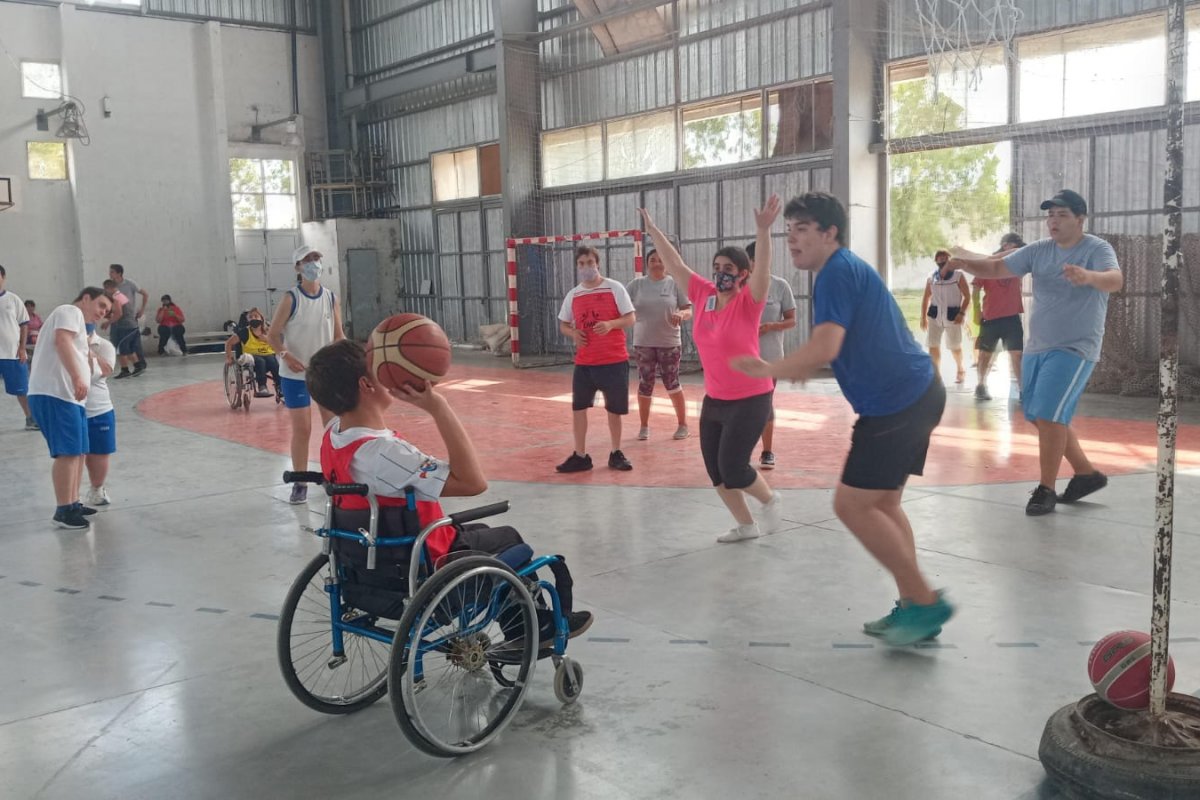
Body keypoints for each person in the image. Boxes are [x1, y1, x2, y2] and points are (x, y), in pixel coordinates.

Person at [732, 192, 953, 646]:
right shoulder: (842, 269)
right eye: (789, 230)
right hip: (913, 395)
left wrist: (772, 367)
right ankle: (914, 605)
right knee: (883, 505)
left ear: (830, 233)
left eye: (802, 229)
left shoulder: (835, 273)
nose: (792, 239)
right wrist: (797, 365)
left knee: (851, 505)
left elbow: (826, 347)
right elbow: (830, 348)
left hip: (898, 402)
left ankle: (924, 601)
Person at [306, 339, 593, 641]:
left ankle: (519, 623)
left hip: (367, 567)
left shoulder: (333, 436)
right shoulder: (384, 453)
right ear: (366, 384)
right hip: (422, 565)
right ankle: (532, 629)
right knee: (509, 538)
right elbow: (473, 482)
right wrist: (438, 407)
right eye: (379, 370)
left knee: (481, 532)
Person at [950, 190, 1122, 515]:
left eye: (1062, 215)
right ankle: (1085, 473)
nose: (1053, 221)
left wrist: (1089, 276)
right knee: (1038, 415)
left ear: (1080, 219)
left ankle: (1046, 489)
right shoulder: (1040, 250)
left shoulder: (1097, 249)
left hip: (1075, 347)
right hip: (1038, 346)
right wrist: (965, 263)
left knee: (1048, 415)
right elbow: (997, 268)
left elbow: (1115, 280)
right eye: (1050, 215)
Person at [639, 197, 784, 544]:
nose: (720, 272)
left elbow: (763, 269)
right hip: (716, 399)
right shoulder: (703, 294)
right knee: (717, 472)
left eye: (728, 268)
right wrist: (653, 231)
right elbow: (674, 264)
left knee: (734, 468)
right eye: (717, 266)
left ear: (742, 274)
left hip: (751, 397)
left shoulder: (750, 301)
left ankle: (770, 499)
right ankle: (746, 526)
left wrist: (763, 231)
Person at [27, 288, 113, 530]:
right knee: (68, 453)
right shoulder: (69, 311)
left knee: (78, 452)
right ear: (86, 298)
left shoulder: (81, 329)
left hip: (71, 398)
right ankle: (64, 510)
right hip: (55, 394)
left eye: (107, 311)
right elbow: (62, 341)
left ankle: (73, 503)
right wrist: (76, 377)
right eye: (101, 306)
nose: (103, 313)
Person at [267, 245, 345, 504]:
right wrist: (285, 355)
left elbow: (338, 335)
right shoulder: (291, 298)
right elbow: (272, 334)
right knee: (303, 428)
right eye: (307, 260)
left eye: (316, 258)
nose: (313, 263)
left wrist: (351, 357)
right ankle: (300, 481)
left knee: (334, 428)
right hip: (295, 375)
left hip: (324, 373)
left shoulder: (331, 298)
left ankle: (334, 476)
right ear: (298, 267)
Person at [555, 246, 636, 473]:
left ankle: (616, 452)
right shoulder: (573, 294)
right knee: (579, 408)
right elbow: (563, 324)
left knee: (614, 409)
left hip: (613, 360)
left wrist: (611, 324)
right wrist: (573, 333)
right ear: (577, 266)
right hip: (585, 363)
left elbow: (631, 317)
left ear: (597, 263)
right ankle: (580, 455)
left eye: (590, 262)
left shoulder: (614, 288)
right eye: (581, 263)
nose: (586, 267)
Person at [626, 247, 692, 442]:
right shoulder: (636, 285)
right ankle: (644, 426)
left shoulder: (675, 284)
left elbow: (688, 309)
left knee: (672, 382)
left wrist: (681, 314)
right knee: (645, 383)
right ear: (647, 263)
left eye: (661, 259)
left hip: (669, 342)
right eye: (653, 260)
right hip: (643, 343)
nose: (657, 263)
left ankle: (683, 425)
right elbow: (621, 306)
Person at [745, 241, 797, 470]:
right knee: (743, 406)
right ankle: (741, 450)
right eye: (758, 258)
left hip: (770, 357)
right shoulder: (739, 286)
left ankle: (767, 451)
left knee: (764, 404)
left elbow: (791, 320)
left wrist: (771, 326)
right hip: (743, 358)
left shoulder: (780, 286)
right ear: (749, 262)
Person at [972, 233, 1026, 401]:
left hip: (1012, 317)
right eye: (1015, 247)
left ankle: (1023, 390)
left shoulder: (1018, 265)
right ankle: (981, 385)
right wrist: (976, 311)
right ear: (1005, 246)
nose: (1018, 250)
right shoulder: (988, 264)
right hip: (991, 317)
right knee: (985, 354)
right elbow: (975, 288)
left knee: (1017, 354)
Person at [920, 250, 970, 384]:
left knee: (955, 346)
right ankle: (936, 375)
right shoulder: (931, 277)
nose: (942, 260)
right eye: (939, 258)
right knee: (933, 345)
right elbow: (926, 298)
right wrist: (923, 317)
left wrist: (961, 313)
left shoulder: (958, 276)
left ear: (950, 260)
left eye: (945, 258)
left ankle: (960, 368)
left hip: (953, 317)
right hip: (934, 316)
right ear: (936, 261)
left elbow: (967, 297)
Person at [84, 326, 117, 506]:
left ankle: (97, 488)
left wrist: (87, 349)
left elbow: (105, 371)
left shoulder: (104, 346)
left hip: (97, 406)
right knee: (71, 454)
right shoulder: (60, 344)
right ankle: (69, 499)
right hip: (68, 406)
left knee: (100, 451)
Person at [0, 265, 36, 430]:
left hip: (12, 354)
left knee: (22, 389)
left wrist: (22, 348)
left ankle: (30, 418)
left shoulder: (13, 300)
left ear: (3, 277)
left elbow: (24, 325)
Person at [225, 308, 279, 398]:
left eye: (256, 316)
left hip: (268, 355)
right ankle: (262, 387)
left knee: (272, 361)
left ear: (261, 318)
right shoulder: (244, 332)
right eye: (250, 317)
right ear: (248, 320)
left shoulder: (268, 331)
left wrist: (267, 339)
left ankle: (280, 386)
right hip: (251, 357)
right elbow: (228, 343)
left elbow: (278, 344)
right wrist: (229, 357)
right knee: (260, 361)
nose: (253, 318)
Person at [108, 264, 149, 378]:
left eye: (112, 272)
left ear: (119, 273)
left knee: (126, 346)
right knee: (120, 345)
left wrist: (142, 309)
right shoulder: (111, 287)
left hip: (128, 320)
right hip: (117, 320)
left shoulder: (129, 284)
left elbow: (145, 294)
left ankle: (136, 366)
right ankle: (131, 367)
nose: (110, 274)